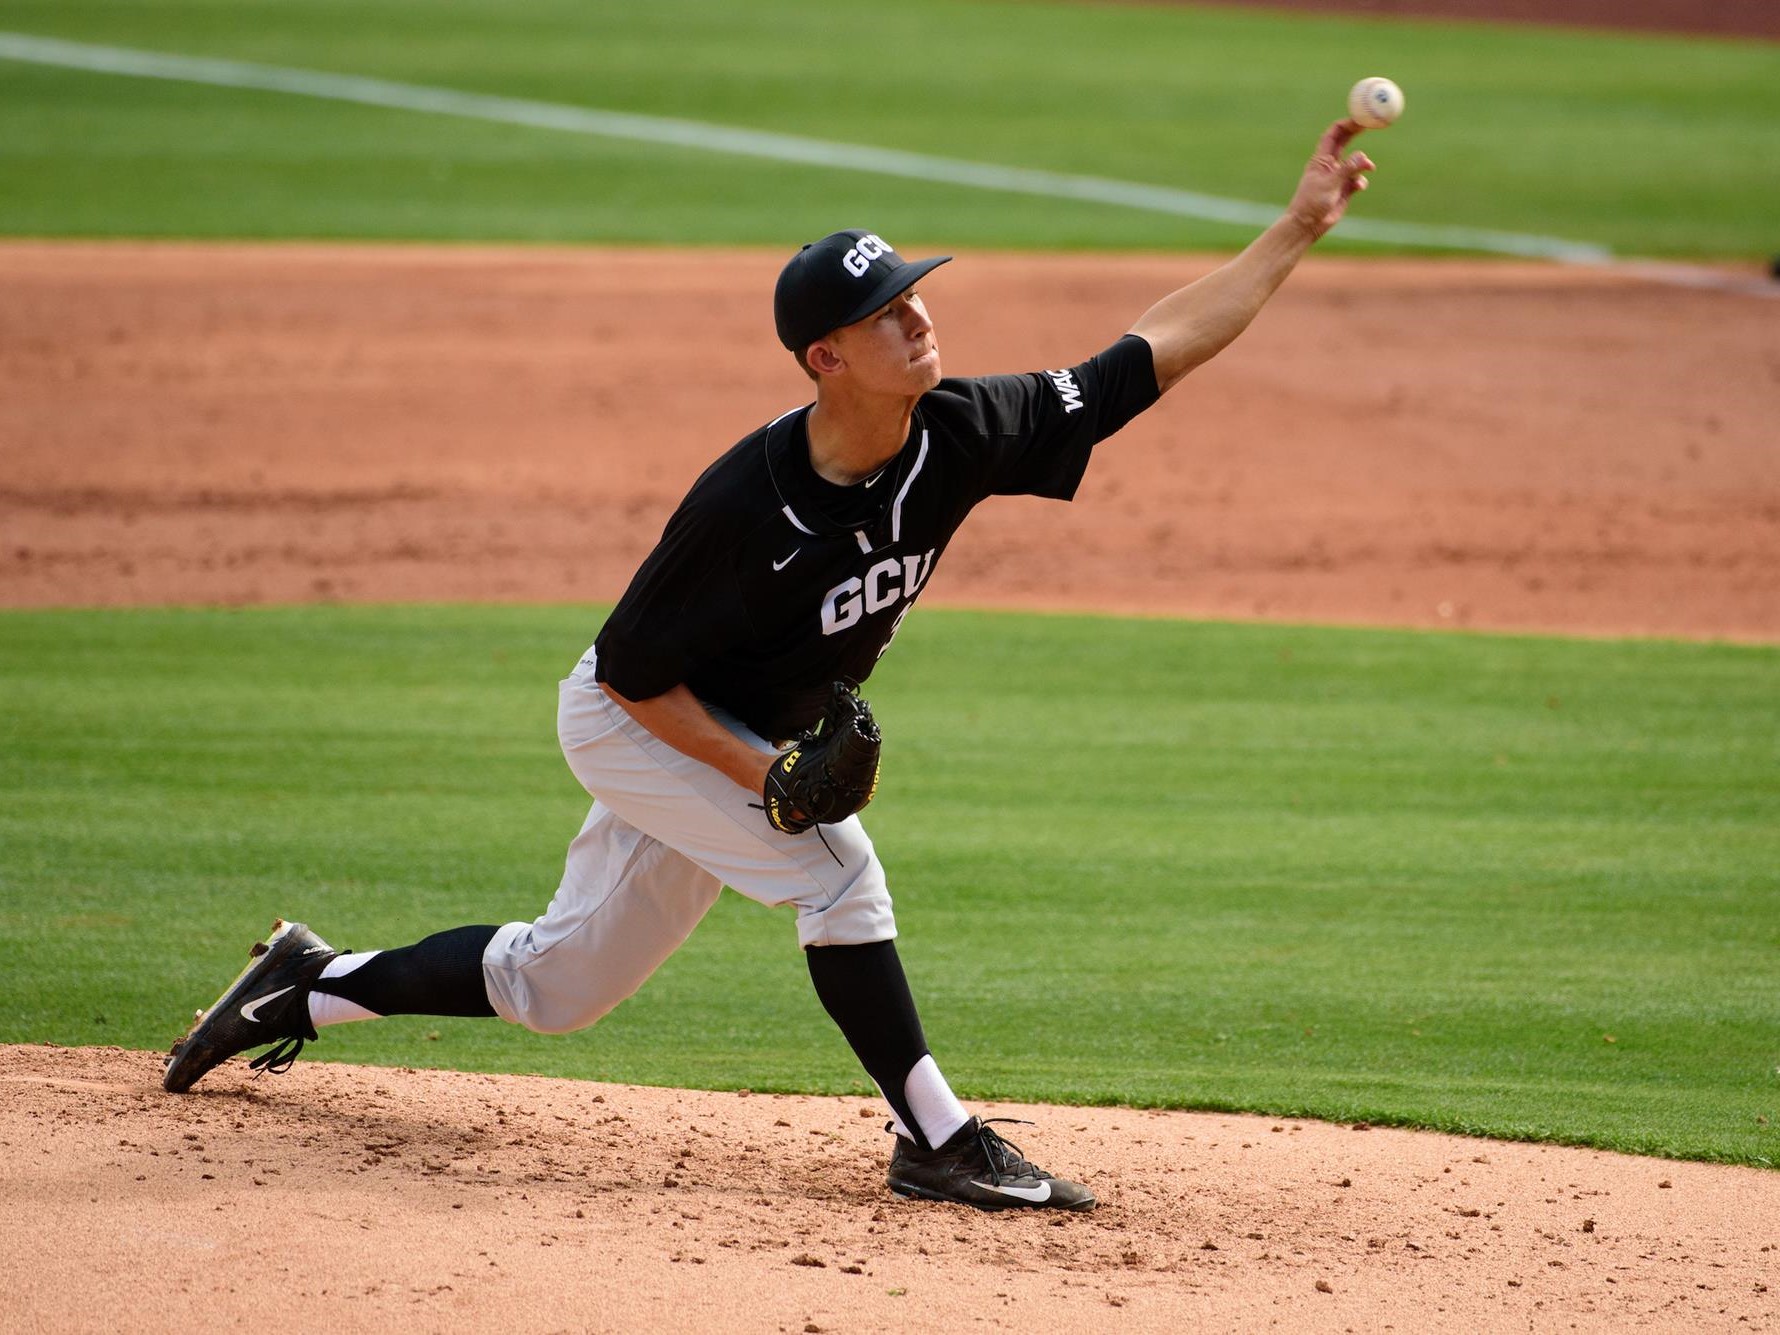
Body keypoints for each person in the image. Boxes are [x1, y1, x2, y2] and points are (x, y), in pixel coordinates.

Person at [164, 121, 1377, 1212]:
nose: (920, 317)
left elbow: (1144, 356)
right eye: (888, 311)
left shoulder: (956, 432)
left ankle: (305, 986)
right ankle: (938, 1140)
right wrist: (767, 779)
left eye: (915, 296)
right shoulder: (747, 505)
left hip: (731, 731)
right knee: (838, 876)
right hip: (638, 719)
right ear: (825, 358)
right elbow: (632, 682)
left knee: (563, 983)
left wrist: (1296, 227)